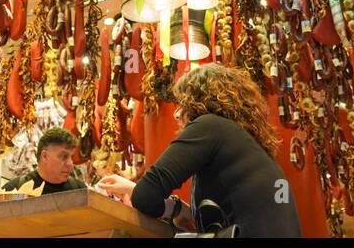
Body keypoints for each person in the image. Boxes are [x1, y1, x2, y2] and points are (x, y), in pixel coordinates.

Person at [96, 63, 303, 237]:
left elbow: (145, 196)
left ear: (197, 102)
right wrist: (175, 208)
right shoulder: (243, 143)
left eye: (182, 103)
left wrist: (137, 191)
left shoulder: (209, 126)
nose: (177, 114)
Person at [1, 127, 86, 195]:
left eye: (72, 157)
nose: (70, 164)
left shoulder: (82, 192)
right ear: (45, 156)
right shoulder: (13, 191)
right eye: (64, 156)